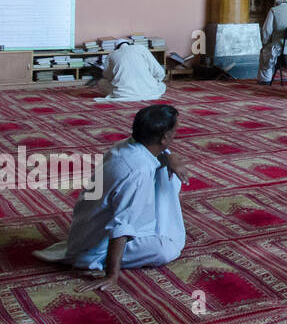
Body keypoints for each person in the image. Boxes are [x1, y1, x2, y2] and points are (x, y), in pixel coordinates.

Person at [35, 104, 188, 288]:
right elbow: (121, 225)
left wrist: (171, 158)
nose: (176, 134)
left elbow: (161, 153)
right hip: (96, 246)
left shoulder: (127, 146)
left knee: (164, 172)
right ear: (165, 137)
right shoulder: (138, 171)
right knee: (166, 250)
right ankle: (96, 260)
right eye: (174, 131)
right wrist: (111, 275)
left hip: (87, 227)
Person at [94, 40, 166, 103]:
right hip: (150, 91)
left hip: (123, 93)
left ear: (116, 48)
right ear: (129, 44)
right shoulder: (141, 48)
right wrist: (155, 80)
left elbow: (108, 77)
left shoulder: (111, 55)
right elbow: (159, 71)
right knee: (162, 85)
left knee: (101, 82)